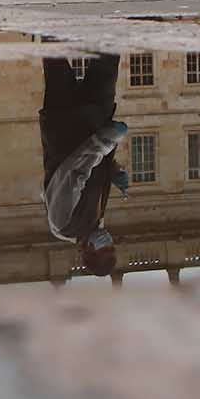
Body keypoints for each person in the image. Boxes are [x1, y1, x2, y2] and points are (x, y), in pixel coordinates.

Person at [39, 54, 129, 277]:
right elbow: (92, 174)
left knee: (55, 54)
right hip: (94, 117)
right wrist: (113, 171)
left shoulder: (63, 224)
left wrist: (104, 140)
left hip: (65, 121)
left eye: (104, 248)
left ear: (87, 251)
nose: (108, 242)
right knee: (109, 55)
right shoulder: (95, 222)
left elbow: (73, 171)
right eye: (111, 247)